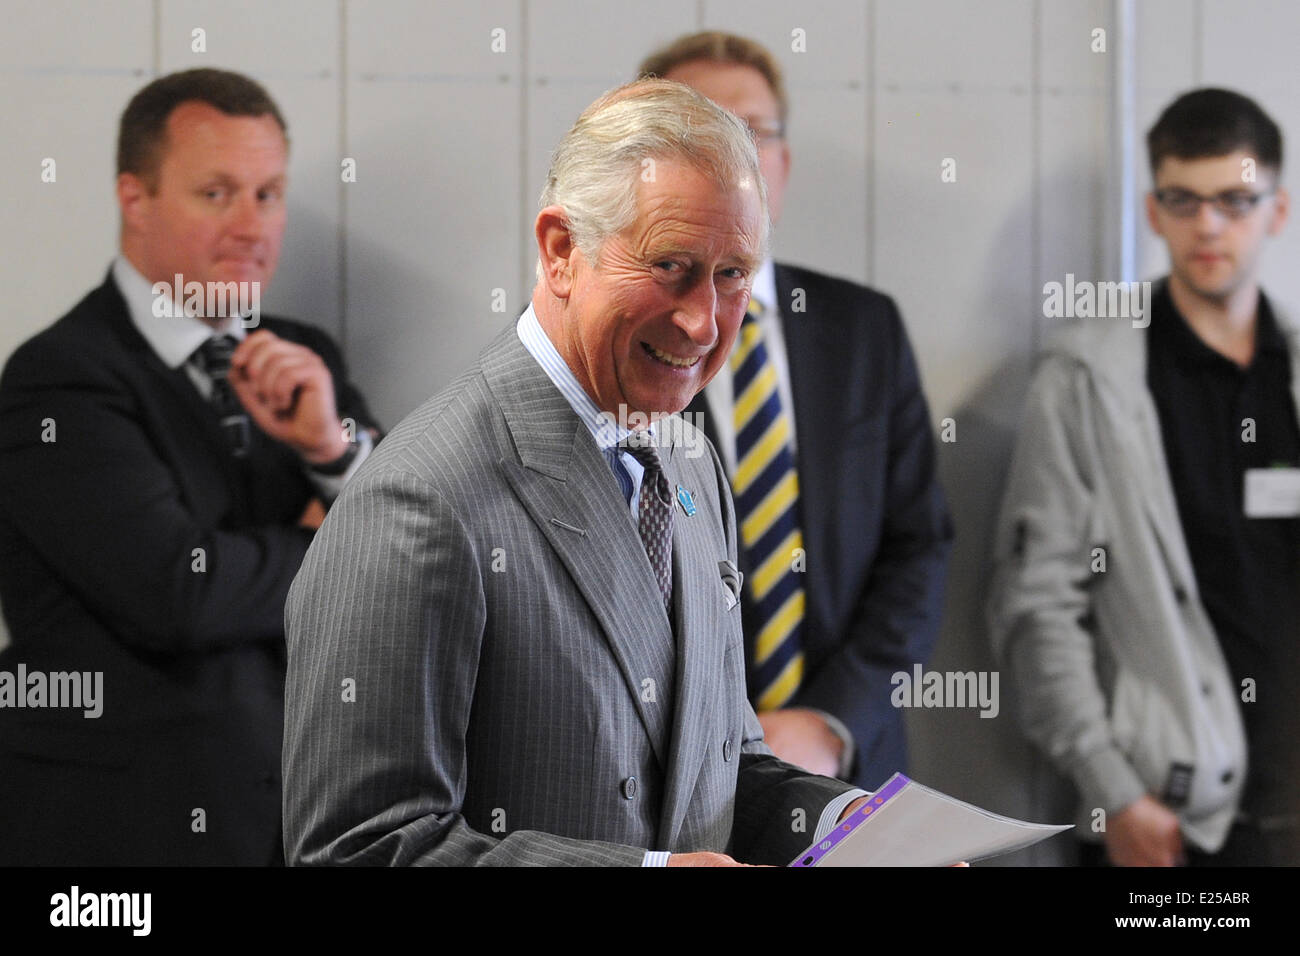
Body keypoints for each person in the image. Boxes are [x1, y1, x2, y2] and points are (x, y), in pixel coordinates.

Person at [281, 79, 872, 866]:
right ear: (561, 251)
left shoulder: (692, 464)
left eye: (733, 275)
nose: (703, 322)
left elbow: (723, 772)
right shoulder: (418, 502)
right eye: (670, 266)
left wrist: (855, 830)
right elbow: (358, 849)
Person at [0, 68, 381, 865]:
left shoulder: (309, 358)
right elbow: (180, 594)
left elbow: (408, 564)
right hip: (123, 837)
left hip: (304, 826)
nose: (253, 226)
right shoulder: (58, 377)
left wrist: (330, 455)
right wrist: (337, 547)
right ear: (134, 198)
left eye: (268, 194)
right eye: (217, 194)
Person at [989, 87, 1299, 866]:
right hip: (1168, 813)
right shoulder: (1089, 380)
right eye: (1184, 200)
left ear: (1278, 210)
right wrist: (1112, 787)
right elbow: (1038, 602)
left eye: (1235, 199)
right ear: (1154, 211)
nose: (1209, 225)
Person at [636, 32, 952, 790]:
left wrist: (831, 719)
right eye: (701, 133)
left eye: (755, 133)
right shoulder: (598, 333)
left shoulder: (865, 328)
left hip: (846, 768)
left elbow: (919, 546)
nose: (734, 157)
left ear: (783, 163)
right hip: (656, 774)